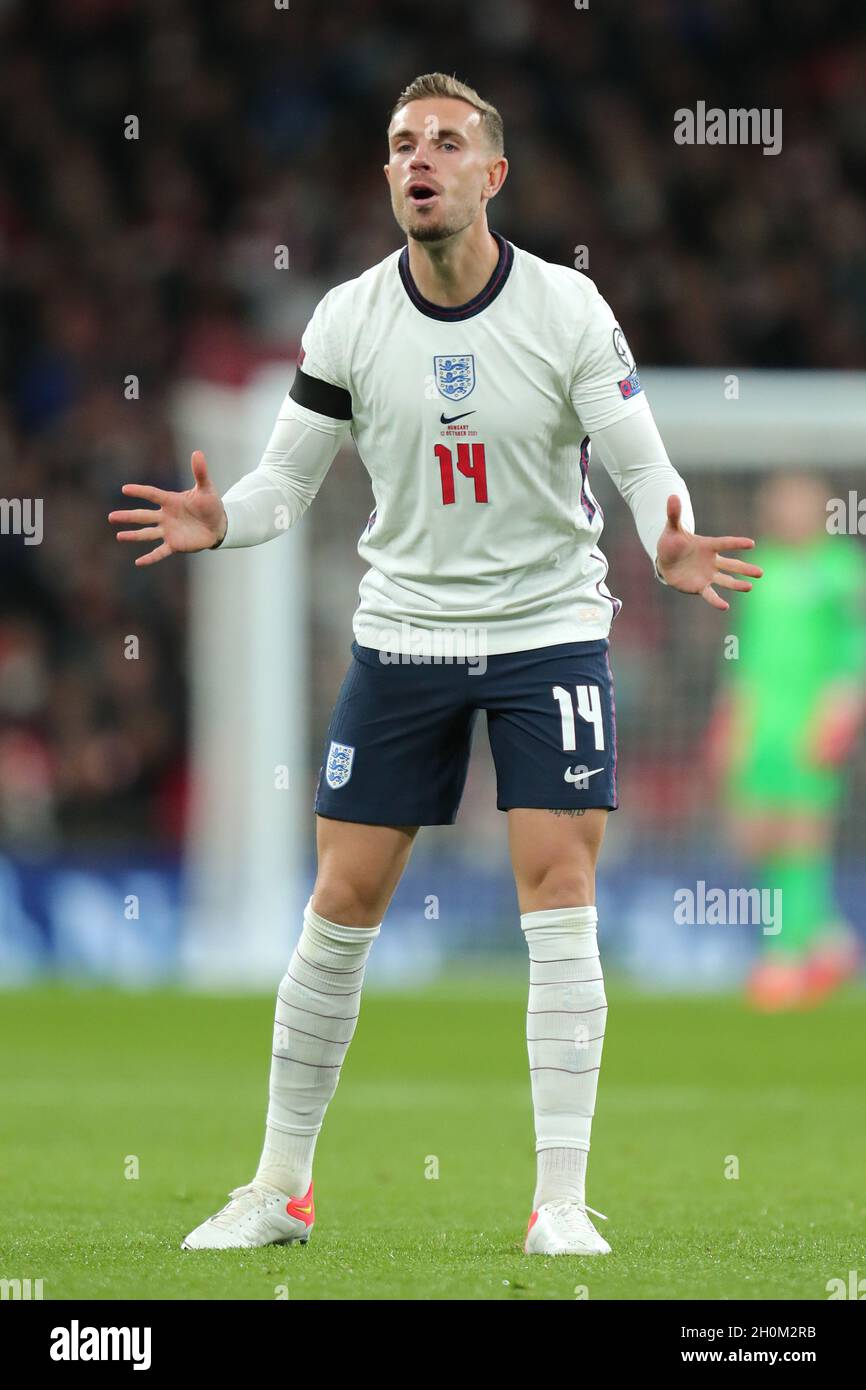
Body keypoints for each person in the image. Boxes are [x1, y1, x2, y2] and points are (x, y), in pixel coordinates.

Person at [109, 73, 761, 1256]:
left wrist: (666, 534)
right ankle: (280, 1189)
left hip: (546, 630)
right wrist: (226, 520)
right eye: (403, 144)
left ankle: (557, 1202)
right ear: (388, 175)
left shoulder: (566, 311)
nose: (420, 160)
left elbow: (637, 461)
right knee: (339, 902)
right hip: (403, 632)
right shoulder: (349, 319)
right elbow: (283, 484)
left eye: (446, 143)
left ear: (490, 176)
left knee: (557, 894)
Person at [709, 473, 864, 1011]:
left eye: (797, 501)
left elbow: (854, 646)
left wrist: (842, 710)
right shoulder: (763, 566)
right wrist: (731, 719)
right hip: (761, 726)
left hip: (811, 721)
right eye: (778, 500)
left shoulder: (842, 569)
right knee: (757, 839)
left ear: (821, 508)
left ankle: (785, 957)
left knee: (802, 835)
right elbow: (745, 655)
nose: (786, 510)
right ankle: (828, 941)